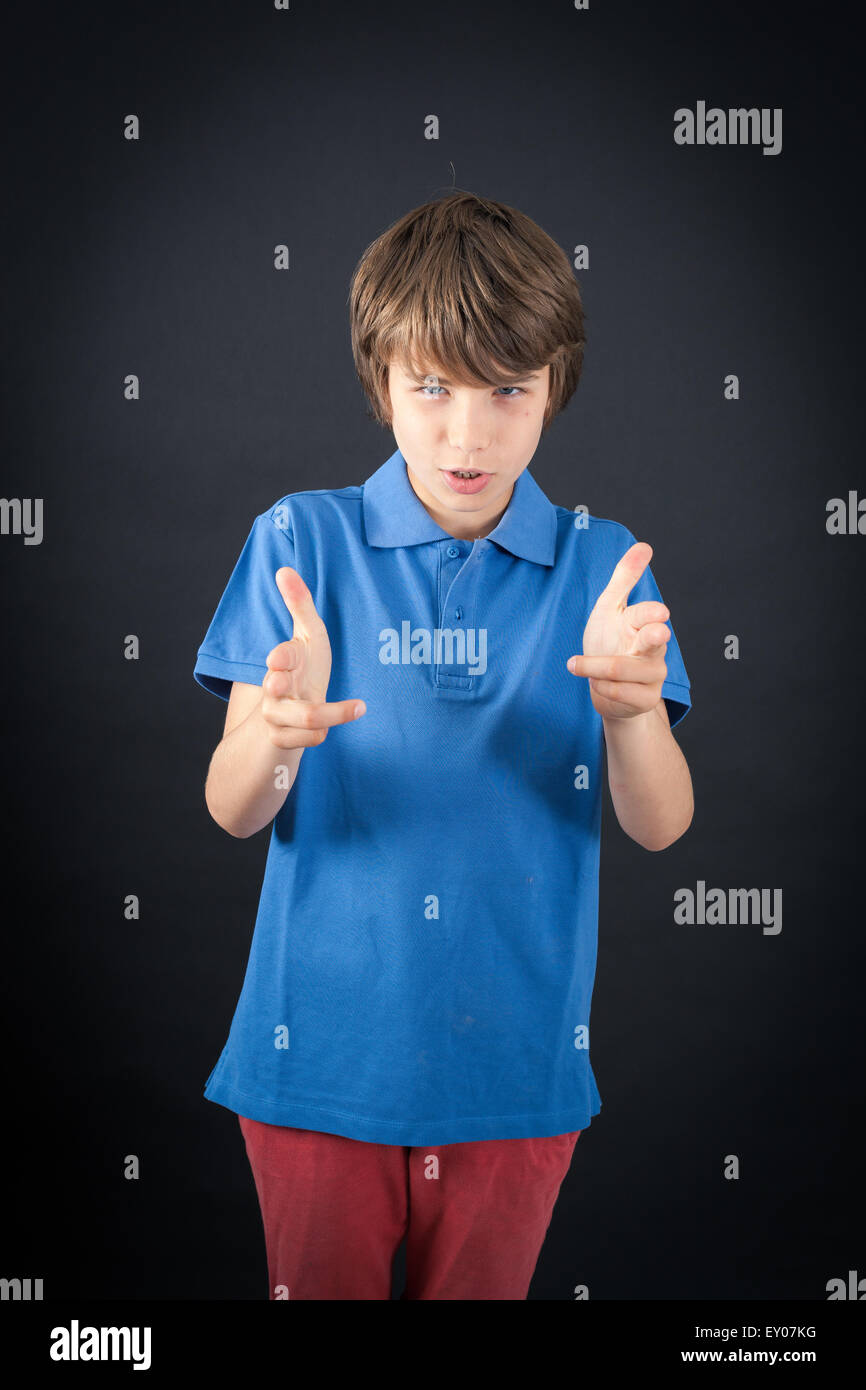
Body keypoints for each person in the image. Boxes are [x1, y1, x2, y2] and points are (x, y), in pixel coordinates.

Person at [193, 190, 694, 1300]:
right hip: (316, 1068)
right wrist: (275, 733)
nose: (466, 434)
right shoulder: (297, 540)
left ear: (554, 388)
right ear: (380, 382)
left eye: (506, 392)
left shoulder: (601, 567)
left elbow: (659, 825)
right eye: (431, 388)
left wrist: (629, 711)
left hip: (515, 1077)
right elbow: (234, 806)